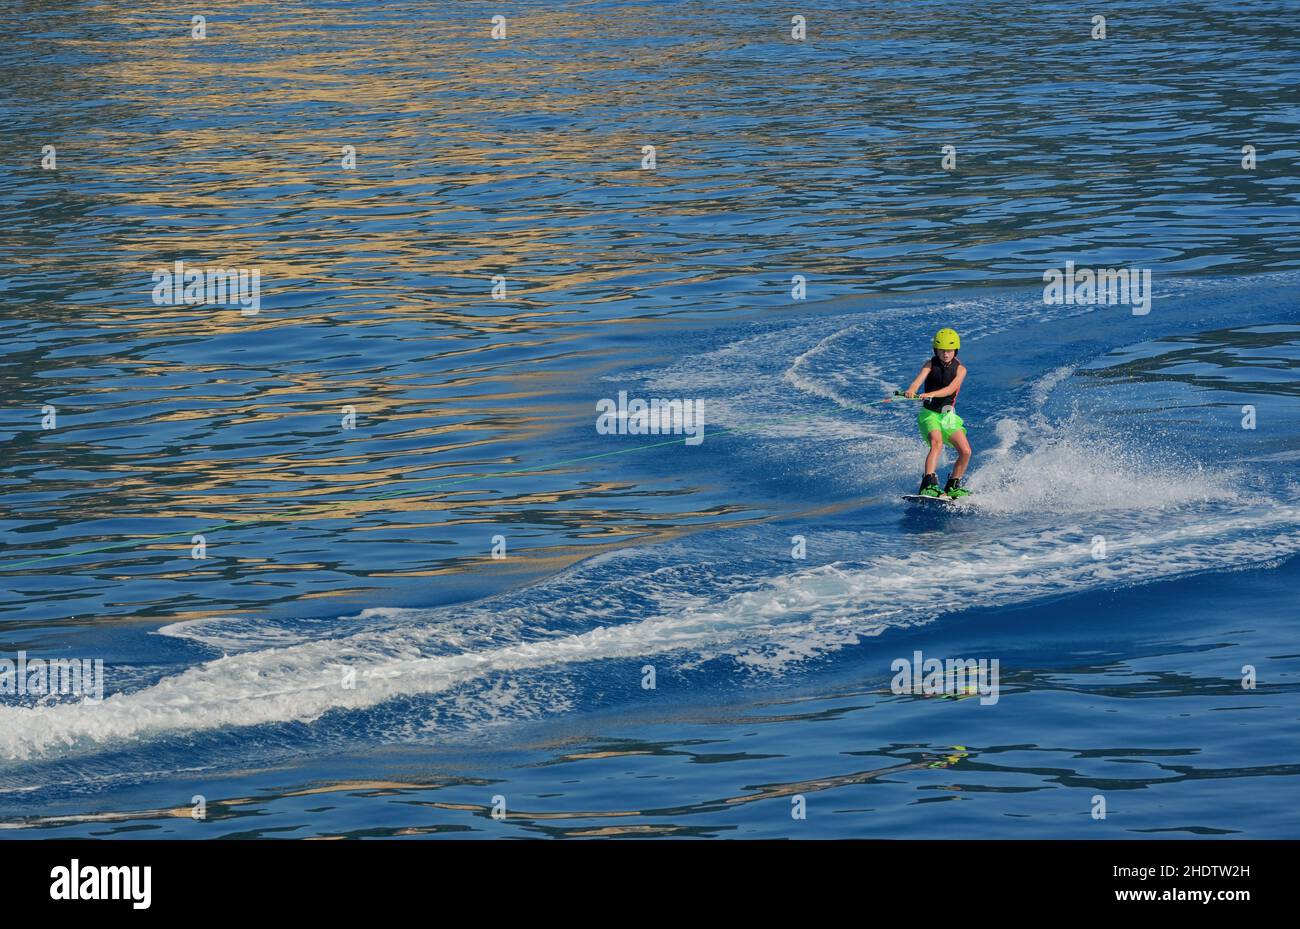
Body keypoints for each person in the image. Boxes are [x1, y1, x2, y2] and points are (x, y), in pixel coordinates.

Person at [900, 328, 971, 498]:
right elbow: (917, 382)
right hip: (929, 415)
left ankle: (953, 484)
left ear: (955, 351)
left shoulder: (961, 369)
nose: (946, 354)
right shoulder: (929, 364)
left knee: (966, 451)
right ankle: (928, 483)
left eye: (949, 350)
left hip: (948, 416)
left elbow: (950, 389)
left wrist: (932, 394)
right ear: (935, 350)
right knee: (936, 443)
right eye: (942, 351)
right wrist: (911, 390)